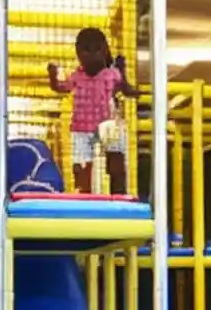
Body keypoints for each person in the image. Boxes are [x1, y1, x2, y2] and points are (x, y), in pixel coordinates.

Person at [47, 27, 141, 194]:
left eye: (96, 50)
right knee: (82, 169)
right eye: (85, 51)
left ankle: (119, 194)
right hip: (82, 129)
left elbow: (126, 89)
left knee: (116, 162)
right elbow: (60, 87)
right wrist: (52, 76)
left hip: (107, 126)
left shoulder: (111, 74)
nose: (91, 55)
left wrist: (123, 70)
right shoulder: (77, 75)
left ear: (104, 51)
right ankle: (84, 196)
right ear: (78, 53)